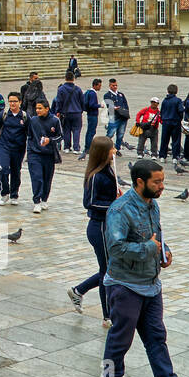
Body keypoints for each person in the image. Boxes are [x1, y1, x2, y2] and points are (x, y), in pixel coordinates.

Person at [100, 159, 189, 377]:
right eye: (157, 182)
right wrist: (150, 248)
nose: (162, 186)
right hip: (125, 285)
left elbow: (156, 237)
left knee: (157, 339)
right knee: (119, 339)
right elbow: (115, 249)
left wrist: (164, 252)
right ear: (140, 182)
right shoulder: (120, 209)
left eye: (163, 181)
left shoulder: (153, 206)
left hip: (150, 285)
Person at [68, 135, 119, 325]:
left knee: (109, 268)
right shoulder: (96, 176)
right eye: (112, 149)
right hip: (100, 227)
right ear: (103, 153)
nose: (115, 151)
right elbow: (89, 203)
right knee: (108, 271)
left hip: (108, 226)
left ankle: (78, 290)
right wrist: (114, 205)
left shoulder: (108, 171)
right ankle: (107, 315)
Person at [0, 92, 27, 206]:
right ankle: (5, 192)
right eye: (10, 101)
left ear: (20, 102)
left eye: (15, 101)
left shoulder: (25, 116)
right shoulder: (3, 115)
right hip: (4, 146)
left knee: (16, 171)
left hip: (19, 148)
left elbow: (30, 132)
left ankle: (14, 194)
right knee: (3, 169)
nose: (12, 103)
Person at [27, 99, 62, 214]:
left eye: (40, 108)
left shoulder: (55, 121)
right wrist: (30, 151)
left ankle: (44, 199)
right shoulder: (33, 120)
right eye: (36, 108)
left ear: (47, 108)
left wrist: (50, 140)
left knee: (47, 178)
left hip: (49, 154)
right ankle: (36, 201)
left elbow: (60, 136)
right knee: (37, 178)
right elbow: (30, 136)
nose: (37, 110)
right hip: (35, 153)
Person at [53, 72, 84, 152]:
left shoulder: (61, 89)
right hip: (76, 112)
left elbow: (59, 101)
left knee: (66, 130)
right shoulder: (78, 89)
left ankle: (67, 147)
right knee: (76, 130)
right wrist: (81, 110)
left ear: (65, 78)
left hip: (65, 113)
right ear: (73, 78)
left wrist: (58, 111)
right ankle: (76, 148)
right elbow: (82, 101)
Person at [158, 84, 184, 161]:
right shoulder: (178, 100)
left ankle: (162, 156)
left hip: (166, 121)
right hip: (175, 121)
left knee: (164, 139)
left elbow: (162, 111)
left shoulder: (165, 101)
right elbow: (180, 110)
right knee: (176, 140)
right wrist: (180, 118)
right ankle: (175, 157)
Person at [78, 79, 103, 160]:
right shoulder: (93, 94)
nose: (100, 87)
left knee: (90, 131)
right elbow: (92, 105)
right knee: (91, 131)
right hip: (92, 115)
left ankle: (88, 146)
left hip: (90, 114)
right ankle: (88, 147)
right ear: (95, 85)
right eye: (99, 85)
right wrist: (99, 105)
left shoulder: (89, 92)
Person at [103, 79, 130, 150]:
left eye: (116, 85)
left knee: (120, 134)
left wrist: (126, 112)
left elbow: (125, 104)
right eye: (113, 85)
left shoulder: (121, 94)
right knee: (110, 133)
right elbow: (109, 105)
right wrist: (114, 108)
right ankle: (105, 147)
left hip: (123, 117)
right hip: (113, 116)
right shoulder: (107, 95)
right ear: (110, 86)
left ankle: (117, 148)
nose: (115, 87)